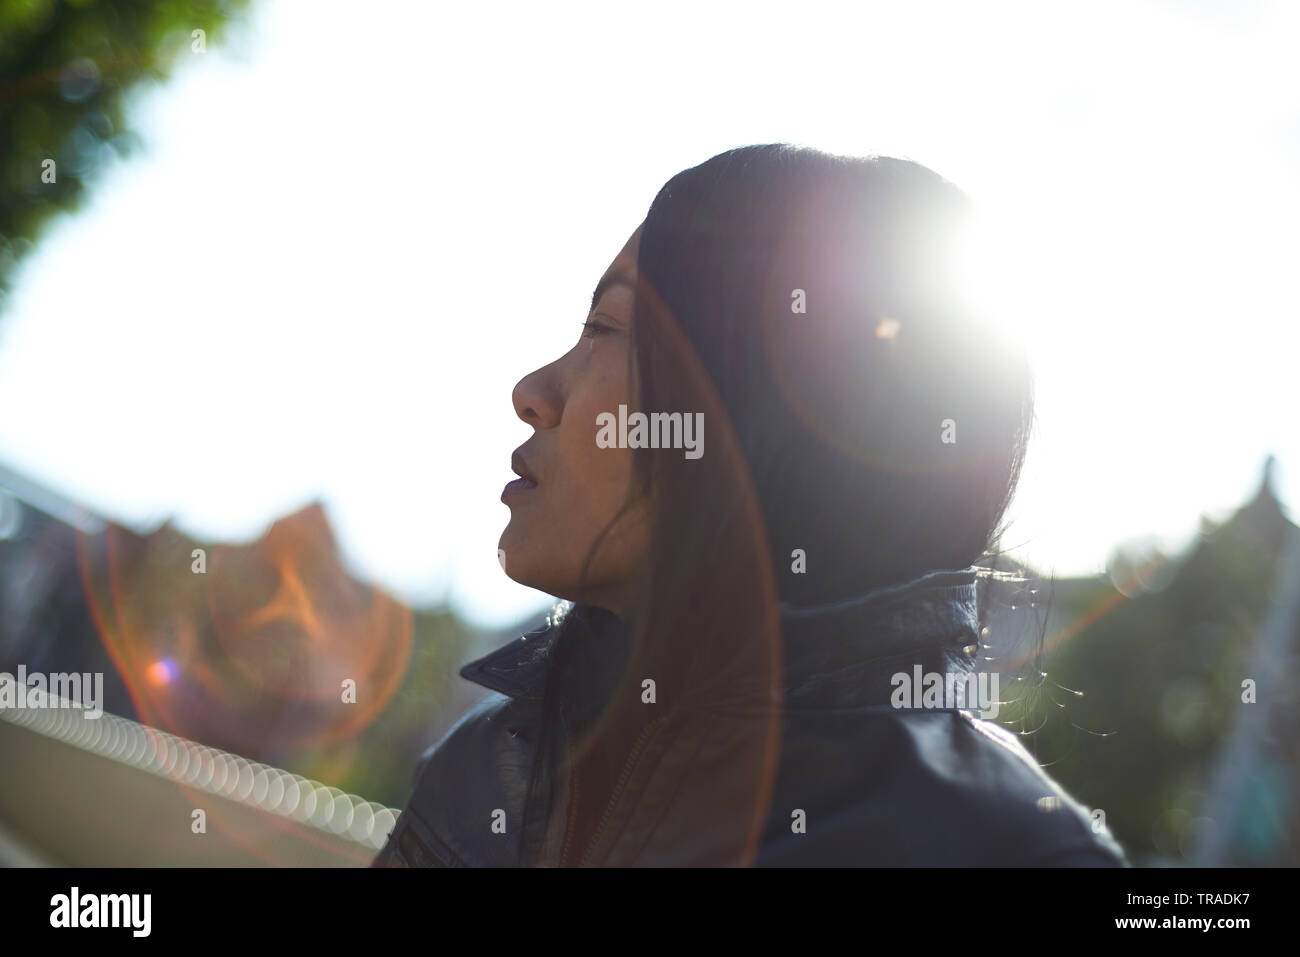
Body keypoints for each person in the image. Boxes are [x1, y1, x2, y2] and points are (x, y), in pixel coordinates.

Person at [373, 143, 1128, 867]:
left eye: (603, 327)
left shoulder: (998, 849)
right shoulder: (489, 767)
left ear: (768, 412)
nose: (532, 391)